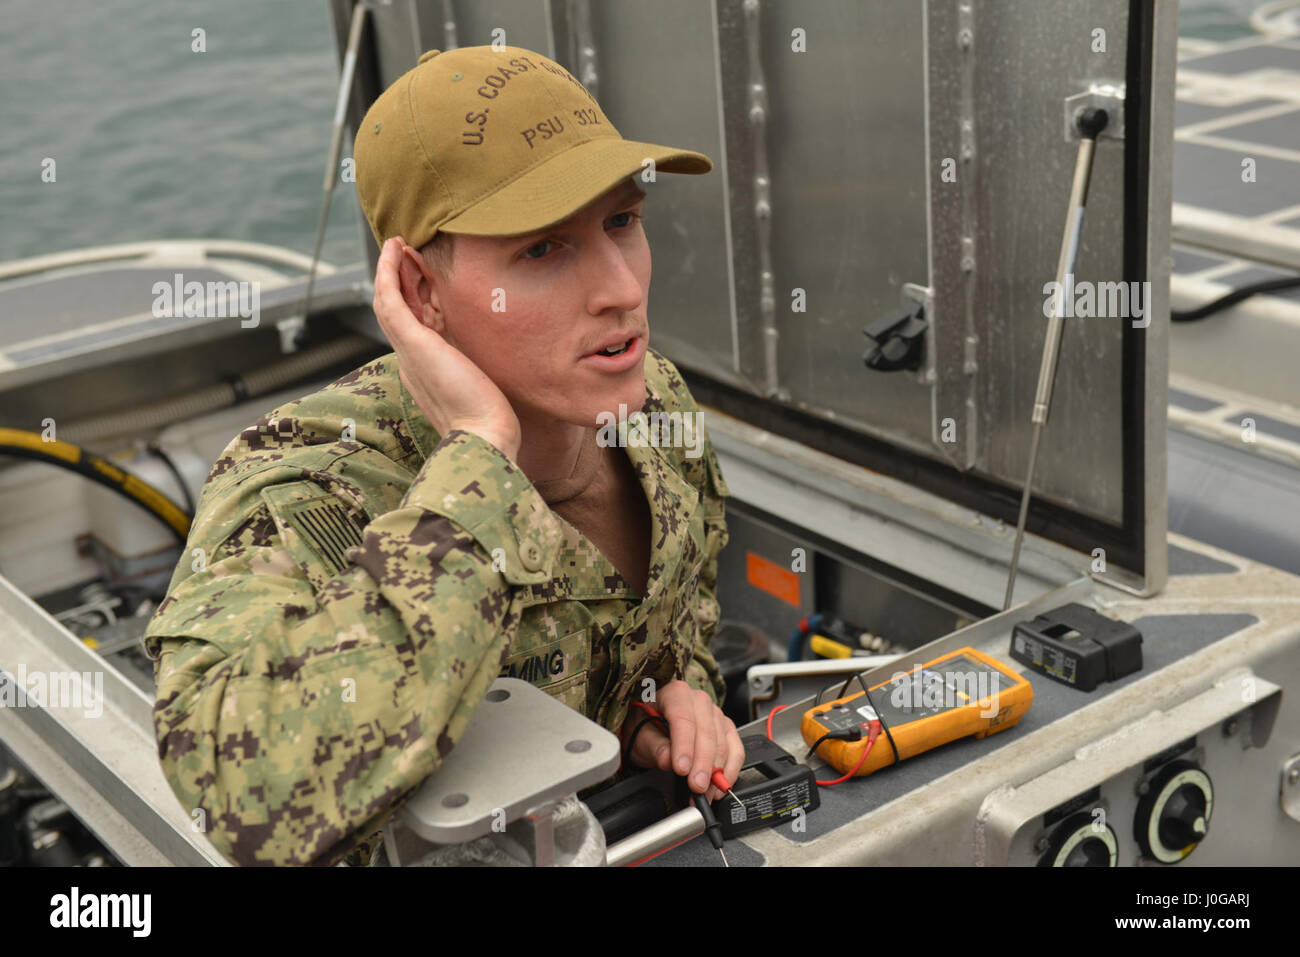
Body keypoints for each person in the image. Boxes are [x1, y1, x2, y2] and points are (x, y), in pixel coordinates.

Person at [144, 43, 742, 866]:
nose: (622, 288)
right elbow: (243, 801)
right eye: (543, 249)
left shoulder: (654, 406)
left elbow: (686, 619)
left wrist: (657, 706)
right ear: (421, 292)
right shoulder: (309, 487)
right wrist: (479, 457)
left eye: (622, 222)